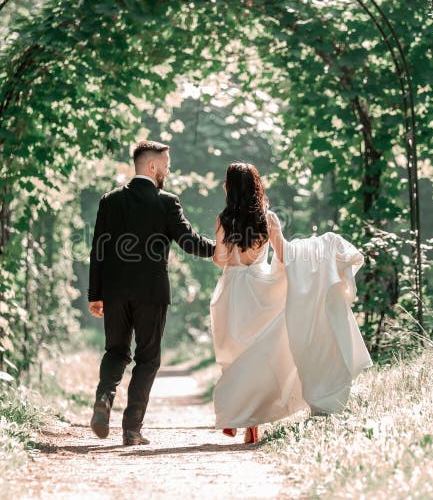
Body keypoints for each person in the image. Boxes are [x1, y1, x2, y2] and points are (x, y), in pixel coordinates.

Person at [210, 162, 372, 444]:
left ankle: (236, 413)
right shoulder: (267, 218)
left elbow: (219, 259)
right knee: (258, 353)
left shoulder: (224, 219)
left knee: (234, 354)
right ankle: (250, 420)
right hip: (260, 289)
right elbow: (283, 252)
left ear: (231, 187)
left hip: (233, 290)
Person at [88, 140, 215, 446]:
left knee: (116, 351)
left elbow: (98, 250)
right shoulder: (166, 202)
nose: (168, 170)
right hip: (152, 293)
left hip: (115, 291)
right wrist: (219, 249)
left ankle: (104, 399)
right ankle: (131, 429)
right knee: (147, 359)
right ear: (152, 166)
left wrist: (96, 293)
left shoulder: (110, 200)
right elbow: (188, 240)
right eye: (166, 164)